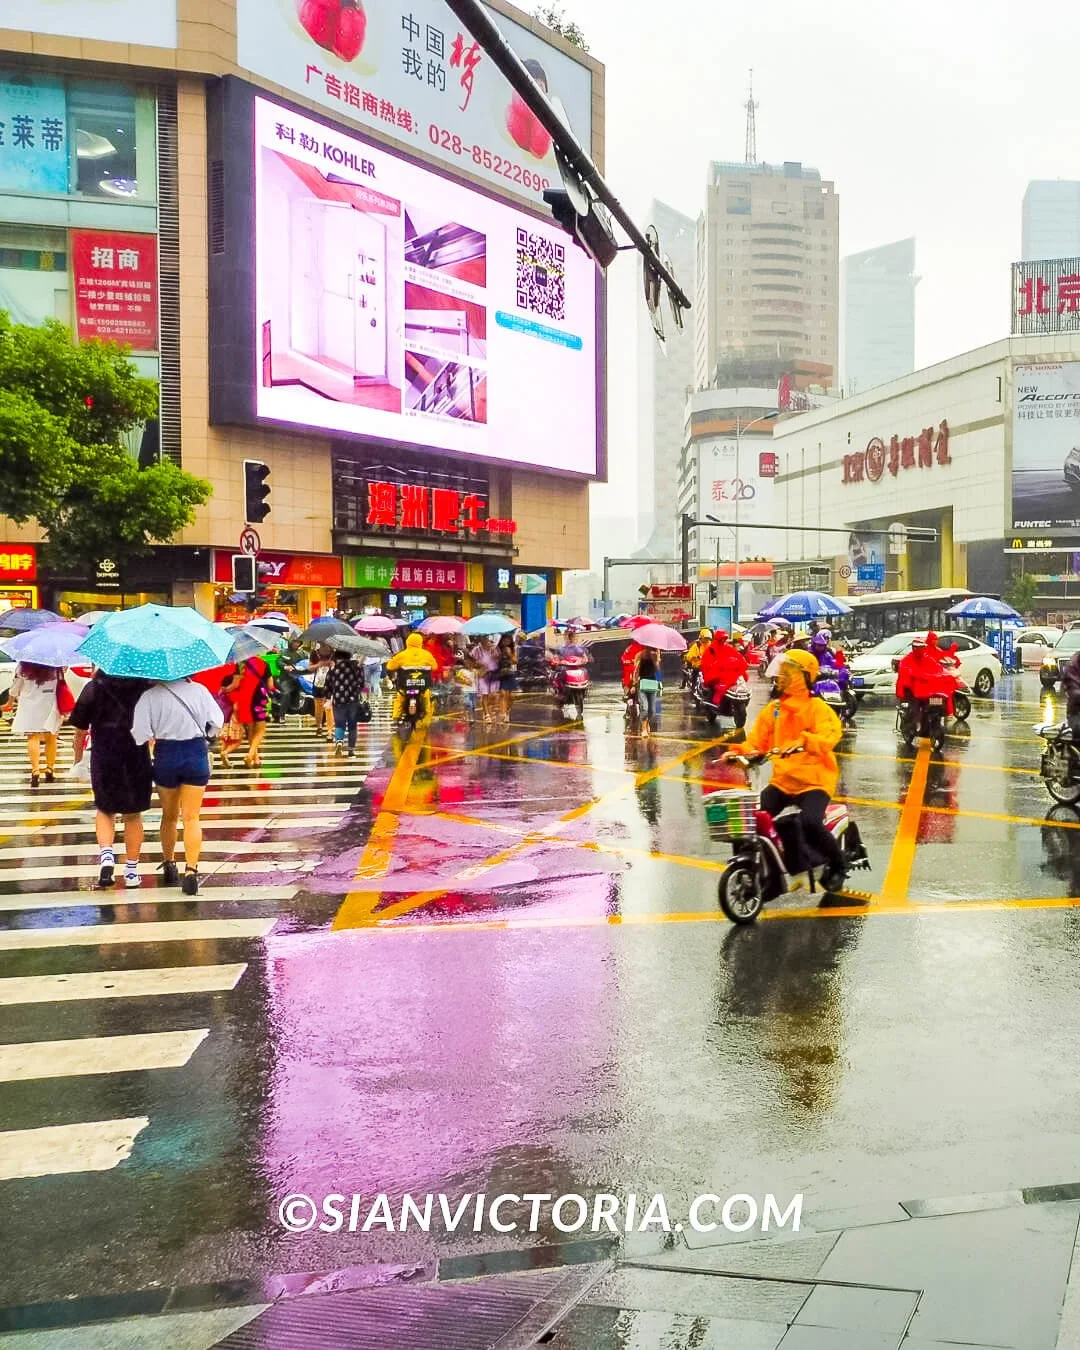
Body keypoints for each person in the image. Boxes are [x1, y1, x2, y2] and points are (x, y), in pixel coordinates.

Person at [734, 648, 848, 890]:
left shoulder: (818, 708)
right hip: (783, 781)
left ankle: (838, 864)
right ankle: (767, 875)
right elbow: (756, 741)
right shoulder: (775, 709)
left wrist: (806, 740)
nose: (781, 677)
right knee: (749, 821)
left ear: (803, 676)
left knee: (810, 822)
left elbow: (830, 735)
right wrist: (738, 752)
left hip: (814, 780)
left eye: (788, 672)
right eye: (781, 672)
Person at [131, 676, 225, 896]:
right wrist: (207, 733)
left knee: (169, 815)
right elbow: (217, 722)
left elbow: (140, 733)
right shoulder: (200, 690)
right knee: (192, 817)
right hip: (195, 754)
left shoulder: (150, 696)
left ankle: (169, 864)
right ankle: (191, 871)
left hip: (166, 755)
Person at [70, 671, 153, 888]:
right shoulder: (145, 687)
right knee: (133, 815)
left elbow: (79, 730)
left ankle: (107, 857)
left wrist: (78, 760)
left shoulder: (93, 688)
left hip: (104, 754)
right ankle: (132, 872)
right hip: (136, 755)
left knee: (105, 809)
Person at [9, 662, 66, 787]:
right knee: (51, 737)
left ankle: (35, 770)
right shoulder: (55, 664)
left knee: (33, 737)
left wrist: (9, 702)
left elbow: (15, 688)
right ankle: (49, 769)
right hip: (50, 703)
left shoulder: (23, 665)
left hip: (29, 704)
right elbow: (61, 684)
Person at [226, 654, 275, 767]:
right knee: (260, 729)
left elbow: (236, 684)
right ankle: (250, 754)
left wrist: (225, 690)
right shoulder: (264, 664)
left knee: (251, 729)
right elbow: (270, 685)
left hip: (244, 699)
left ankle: (256, 757)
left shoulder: (239, 664)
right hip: (259, 698)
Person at [386, 632, 440, 726]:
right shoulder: (426, 654)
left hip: (405, 685)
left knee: (400, 698)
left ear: (408, 642)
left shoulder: (401, 655)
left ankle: (396, 718)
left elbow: (390, 666)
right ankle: (427, 716)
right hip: (422, 685)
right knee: (426, 696)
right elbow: (435, 666)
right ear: (420, 642)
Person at [324, 649, 367, 758]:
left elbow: (327, 686)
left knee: (339, 724)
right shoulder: (356, 667)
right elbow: (362, 684)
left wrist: (328, 698)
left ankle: (339, 742)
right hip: (353, 701)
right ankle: (351, 750)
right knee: (352, 726)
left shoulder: (334, 669)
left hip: (338, 700)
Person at [699, 630, 749, 704]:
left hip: (727, 672)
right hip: (715, 674)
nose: (723, 640)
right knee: (716, 686)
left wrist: (741, 661)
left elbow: (737, 655)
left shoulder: (727, 647)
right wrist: (713, 666)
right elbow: (705, 662)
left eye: (724, 639)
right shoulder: (711, 649)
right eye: (721, 639)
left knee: (741, 676)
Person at [468, 635, 501, 725]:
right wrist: (479, 665)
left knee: (493, 695)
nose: (485, 640)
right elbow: (471, 662)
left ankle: (487, 709)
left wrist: (495, 653)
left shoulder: (493, 648)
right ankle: (487, 714)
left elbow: (498, 658)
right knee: (484, 694)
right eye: (483, 638)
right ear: (480, 639)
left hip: (493, 674)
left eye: (486, 638)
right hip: (483, 675)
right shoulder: (476, 650)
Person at [632, 646, 662, 739]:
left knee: (652, 710)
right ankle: (644, 729)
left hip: (652, 684)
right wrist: (634, 683)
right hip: (642, 684)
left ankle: (647, 723)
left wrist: (656, 659)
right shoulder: (640, 655)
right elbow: (636, 670)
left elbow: (657, 670)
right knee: (644, 707)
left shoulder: (655, 655)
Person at [495, 632, 518, 725]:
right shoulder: (497, 649)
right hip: (500, 674)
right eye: (504, 640)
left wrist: (510, 654)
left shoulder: (512, 649)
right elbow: (494, 660)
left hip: (510, 673)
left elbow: (515, 661)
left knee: (510, 695)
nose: (506, 642)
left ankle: (508, 711)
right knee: (502, 694)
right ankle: (503, 713)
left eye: (508, 640)